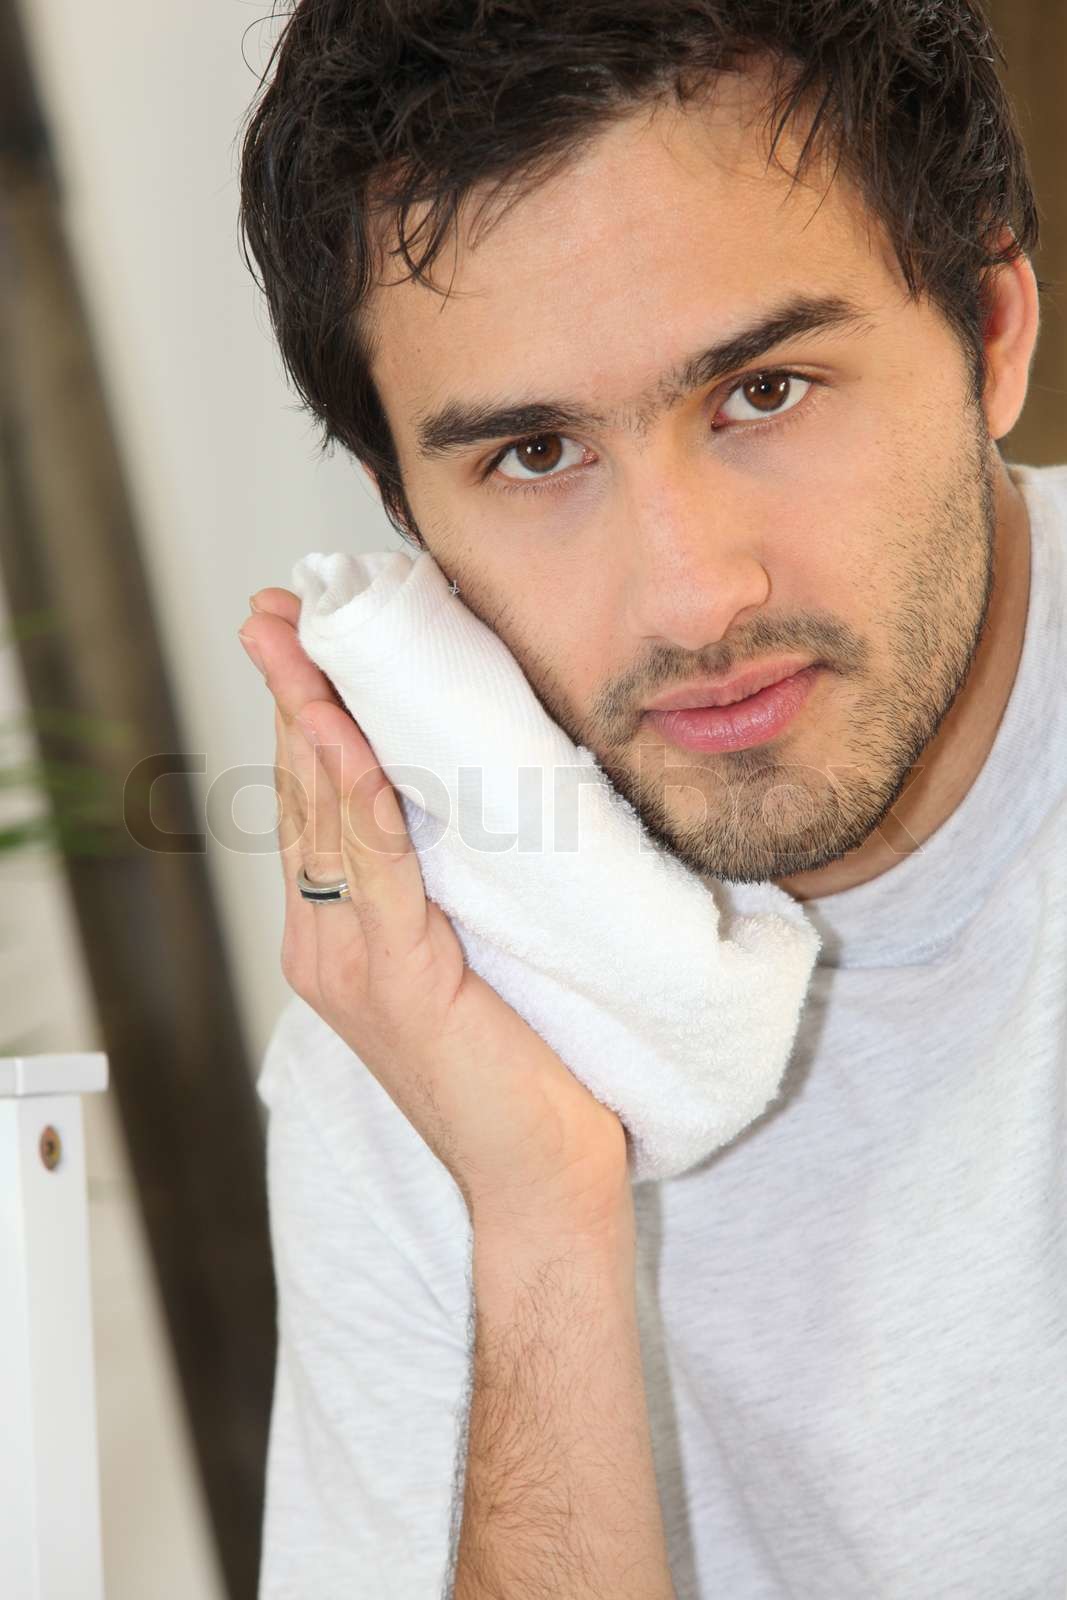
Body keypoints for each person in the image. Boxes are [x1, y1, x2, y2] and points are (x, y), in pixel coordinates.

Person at [235, 3, 1067, 1595]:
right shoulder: (423, 1012)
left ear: (992, 327)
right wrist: (537, 1212)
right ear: (403, 517)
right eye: (537, 454)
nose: (691, 599)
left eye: (762, 392)